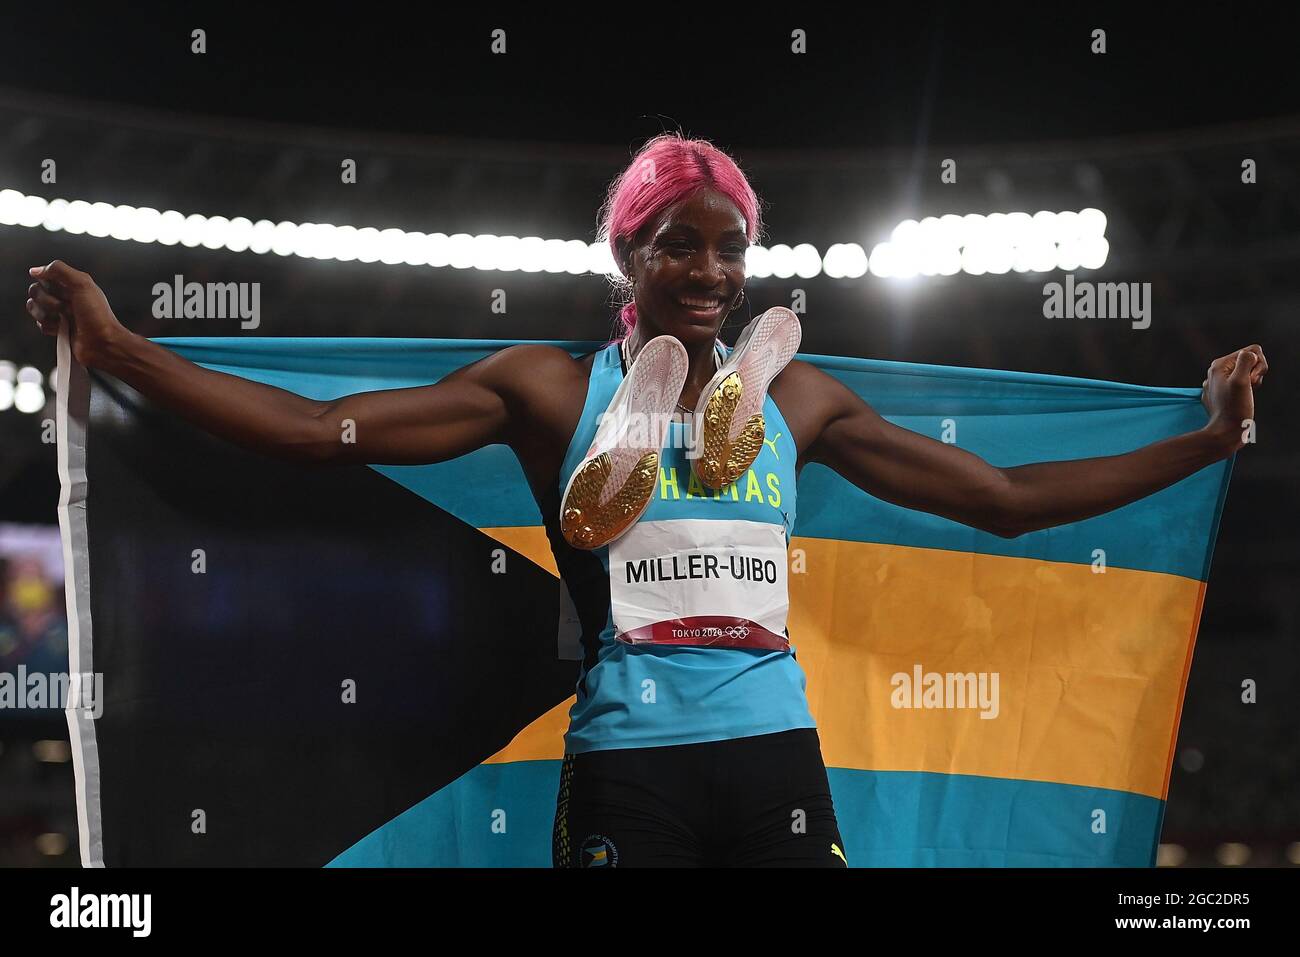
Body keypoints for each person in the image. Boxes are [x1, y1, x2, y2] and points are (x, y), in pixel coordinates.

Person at [24, 133, 1268, 868]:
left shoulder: (805, 406)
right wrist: (124, 349)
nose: (710, 268)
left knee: (765, 410)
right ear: (628, 258)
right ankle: (647, 417)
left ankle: (702, 403)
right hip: (633, 760)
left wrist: (1208, 442)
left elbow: (1000, 497)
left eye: (728, 248)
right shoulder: (541, 387)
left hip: (774, 749)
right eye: (678, 244)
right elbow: (314, 433)